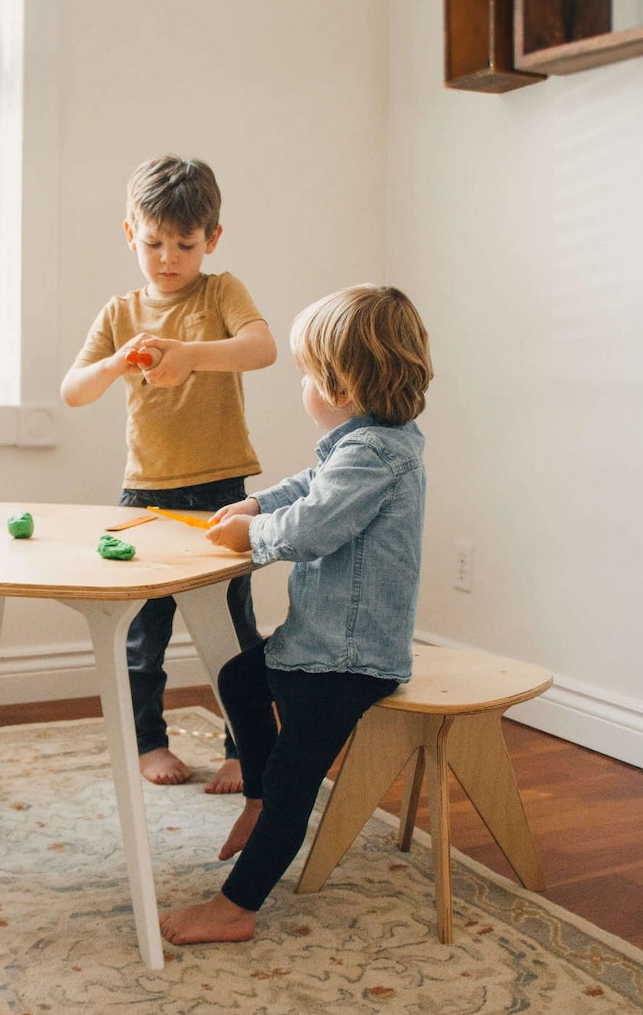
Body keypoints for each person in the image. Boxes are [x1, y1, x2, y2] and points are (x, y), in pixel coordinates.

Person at [159, 283, 433, 945]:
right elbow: (309, 485)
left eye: (307, 374)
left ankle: (238, 905)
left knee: (294, 778)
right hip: (319, 642)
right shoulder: (368, 441)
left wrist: (251, 537)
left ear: (340, 388)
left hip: (346, 659)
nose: (302, 386)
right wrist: (254, 504)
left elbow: (311, 527)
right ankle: (256, 797)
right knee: (238, 680)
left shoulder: (372, 455)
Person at [60, 154, 277, 792]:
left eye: (184, 244)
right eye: (153, 243)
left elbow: (261, 348)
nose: (168, 258)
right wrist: (115, 365)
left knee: (234, 629)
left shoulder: (222, 292)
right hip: (145, 493)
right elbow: (74, 390)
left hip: (220, 491)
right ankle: (148, 742)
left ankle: (244, 747)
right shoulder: (121, 312)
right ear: (131, 234)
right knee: (142, 632)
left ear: (211, 239)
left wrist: (190, 355)